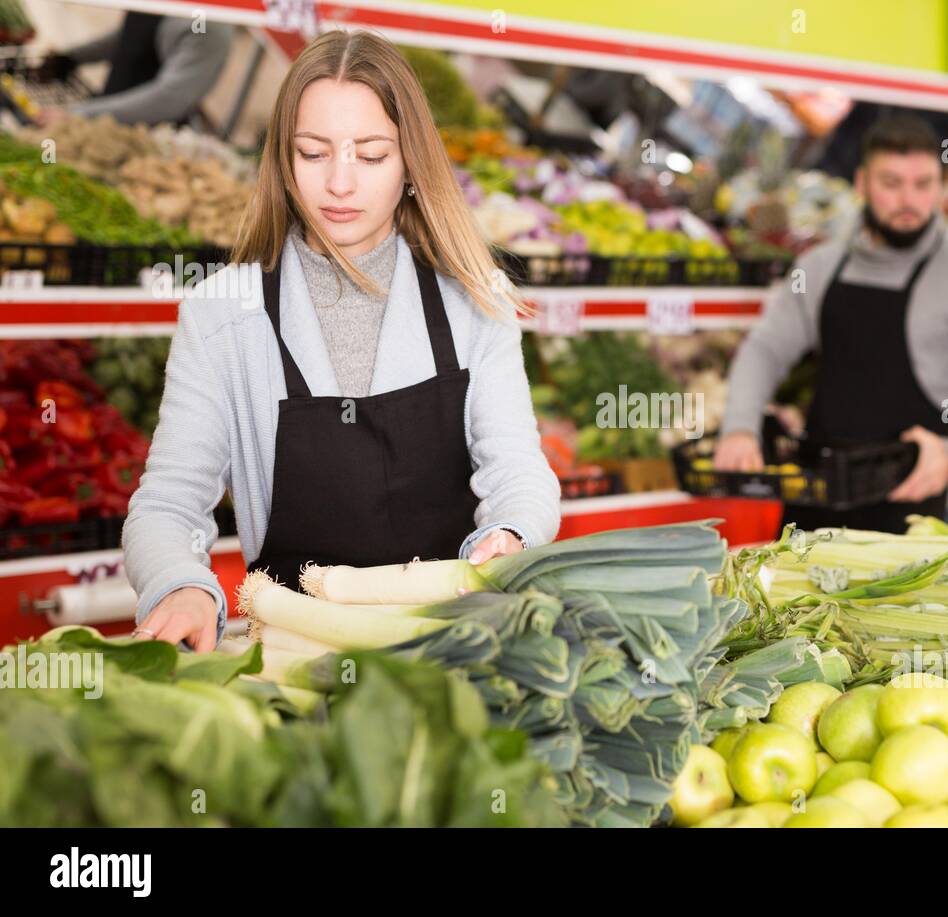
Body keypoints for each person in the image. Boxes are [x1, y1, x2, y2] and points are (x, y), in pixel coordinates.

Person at [123, 30, 560, 650]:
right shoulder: (222, 314)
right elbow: (168, 502)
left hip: (450, 651)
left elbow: (518, 467)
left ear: (411, 162)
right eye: (313, 152)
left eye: (373, 156)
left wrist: (510, 537)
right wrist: (179, 585)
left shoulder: (474, 300)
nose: (340, 184)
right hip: (291, 661)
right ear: (283, 160)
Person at [714, 113, 948, 533]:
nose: (909, 200)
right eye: (892, 183)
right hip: (813, 514)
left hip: (911, 518)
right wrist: (739, 427)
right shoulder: (819, 267)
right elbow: (765, 349)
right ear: (862, 183)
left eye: (924, 184)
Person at [36, 12, 234, 126]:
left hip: (146, 135)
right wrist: (72, 58)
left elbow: (170, 99)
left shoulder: (209, 25)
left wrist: (80, 115)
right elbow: (131, 36)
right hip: (108, 113)